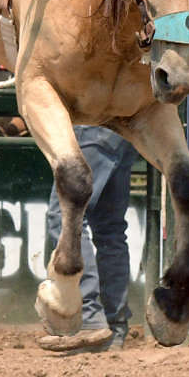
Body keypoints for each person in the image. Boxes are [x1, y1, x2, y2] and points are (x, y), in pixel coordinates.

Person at [37, 126, 137, 353]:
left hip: (92, 125)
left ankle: (90, 317)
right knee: (110, 229)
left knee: (65, 217)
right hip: (121, 129)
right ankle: (114, 327)